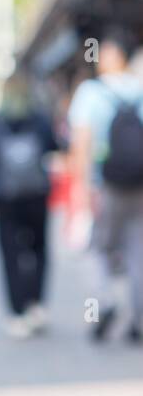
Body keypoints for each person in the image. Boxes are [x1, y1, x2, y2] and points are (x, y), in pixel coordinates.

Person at [67, 27, 143, 343]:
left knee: (96, 248)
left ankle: (103, 303)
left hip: (104, 184)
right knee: (138, 250)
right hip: (140, 182)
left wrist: (79, 188)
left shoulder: (91, 92)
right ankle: (139, 318)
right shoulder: (140, 89)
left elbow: (81, 142)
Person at [0, 74, 60, 339]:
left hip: (6, 197)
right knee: (38, 249)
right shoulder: (39, 119)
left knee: (9, 254)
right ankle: (35, 303)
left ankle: (16, 312)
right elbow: (54, 147)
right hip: (36, 195)